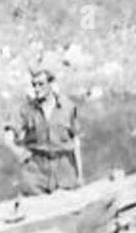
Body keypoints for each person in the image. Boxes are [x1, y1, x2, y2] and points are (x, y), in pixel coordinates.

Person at [6, 60, 82, 195]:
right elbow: (8, 136)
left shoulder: (67, 107)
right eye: (34, 85)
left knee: (66, 207)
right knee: (34, 209)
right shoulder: (26, 109)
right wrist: (20, 153)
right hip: (36, 171)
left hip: (63, 170)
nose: (36, 89)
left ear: (52, 85)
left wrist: (80, 174)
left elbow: (75, 141)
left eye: (41, 84)